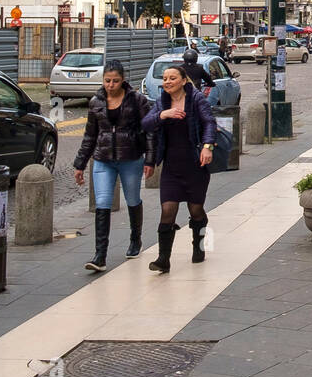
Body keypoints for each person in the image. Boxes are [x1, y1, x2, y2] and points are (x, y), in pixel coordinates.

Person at [73, 60, 157, 272]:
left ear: (123, 80)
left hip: (131, 157)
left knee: (132, 199)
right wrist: (80, 164)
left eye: (115, 81)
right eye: (107, 81)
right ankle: (100, 255)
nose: (111, 85)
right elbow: (90, 135)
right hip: (103, 159)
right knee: (102, 202)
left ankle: (135, 240)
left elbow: (149, 130)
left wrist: (150, 159)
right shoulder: (95, 102)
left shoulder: (137, 100)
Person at [141, 65, 218, 273]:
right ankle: (163, 259)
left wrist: (207, 147)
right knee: (168, 210)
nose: (167, 82)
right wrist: (163, 115)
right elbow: (146, 124)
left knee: (196, 210)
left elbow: (209, 123)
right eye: (165, 78)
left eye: (172, 78)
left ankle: (199, 245)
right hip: (171, 167)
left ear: (183, 81)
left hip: (195, 164)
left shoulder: (196, 99)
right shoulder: (161, 102)